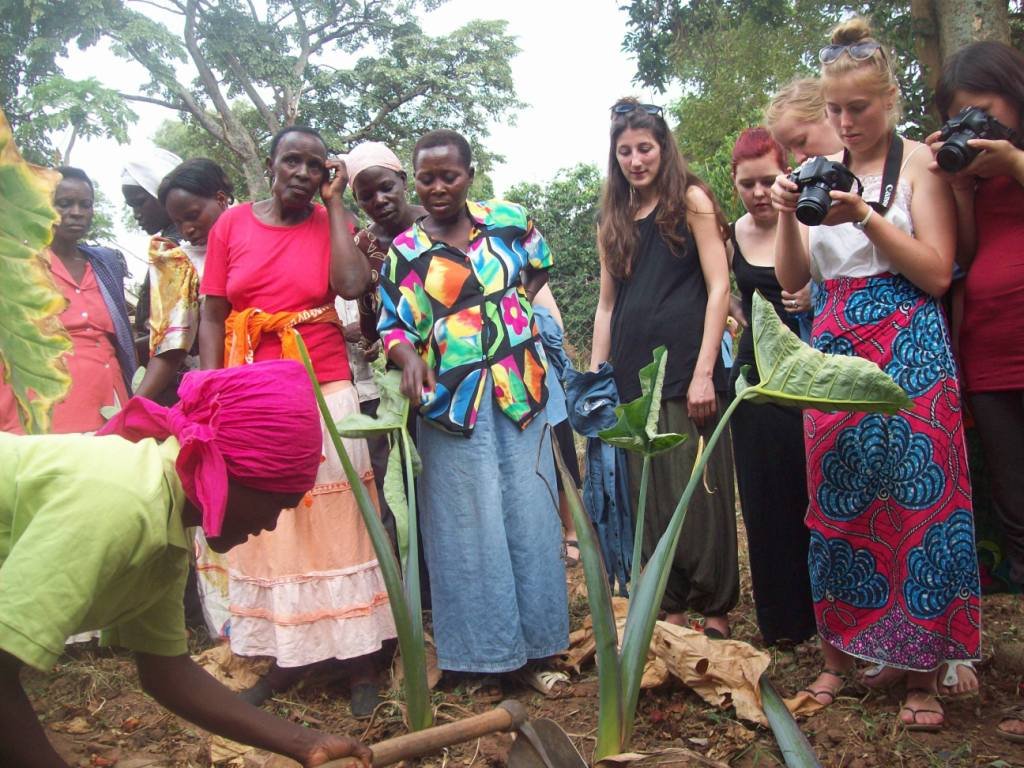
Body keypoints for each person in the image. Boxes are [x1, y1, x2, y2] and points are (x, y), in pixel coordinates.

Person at [0, 360, 371, 768]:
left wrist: (306, 744)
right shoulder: (123, 503)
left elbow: (166, 672)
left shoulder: (164, 527)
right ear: (227, 472)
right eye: (276, 503)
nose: (269, 524)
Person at [771, 18, 980, 731]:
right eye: (834, 109)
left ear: (890, 99)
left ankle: (923, 672)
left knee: (920, 506)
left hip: (910, 343)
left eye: (858, 107)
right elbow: (793, 280)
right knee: (838, 503)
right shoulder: (818, 170)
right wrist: (788, 217)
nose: (845, 122)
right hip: (832, 345)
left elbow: (937, 273)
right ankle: (846, 655)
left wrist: (863, 214)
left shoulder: (919, 163)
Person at [199, 125, 395, 715]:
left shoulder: (332, 221)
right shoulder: (231, 224)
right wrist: (211, 390)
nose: (304, 174)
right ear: (271, 163)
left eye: (316, 165)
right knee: (274, 525)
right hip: (254, 392)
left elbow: (352, 284)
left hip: (325, 383)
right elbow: (212, 315)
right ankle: (290, 655)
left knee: (340, 519)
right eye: (293, 161)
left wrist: (335, 206)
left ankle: (360, 661)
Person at [378, 129, 570, 696]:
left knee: (530, 516)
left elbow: (538, 265)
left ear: (469, 174)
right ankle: (486, 659)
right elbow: (393, 326)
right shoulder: (406, 251)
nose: (437, 187)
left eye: (449, 176)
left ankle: (540, 648)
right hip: (451, 402)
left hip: (520, 388)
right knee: (466, 528)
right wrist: (410, 357)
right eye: (426, 178)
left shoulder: (508, 220)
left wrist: (509, 313)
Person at [591, 98, 738, 639]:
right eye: (625, 151)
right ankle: (670, 606)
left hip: (686, 371)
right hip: (634, 378)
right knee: (649, 495)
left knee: (700, 489)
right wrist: (596, 379)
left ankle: (714, 609)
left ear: (663, 148)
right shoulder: (613, 218)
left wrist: (704, 372)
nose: (636, 160)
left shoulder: (691, 201)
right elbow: (606, 306)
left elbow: (719, 287)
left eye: (645, 148)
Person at [928, 39, 1024, 744]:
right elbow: (961, 255)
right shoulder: (977, 175)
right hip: (989, 355)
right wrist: (961, 186)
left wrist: (1012, 161)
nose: (976, 129)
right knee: (1019, 519)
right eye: (961, 118)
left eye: (984, 113)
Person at [727, 127, 816, 647]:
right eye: (747, 184)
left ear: (787, 176)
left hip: (808, 374)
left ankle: (825, 612)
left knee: (811, 494)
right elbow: (720, 289)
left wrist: (815, 295)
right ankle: (783, 623)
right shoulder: (733, 233)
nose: (759, 193)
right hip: (754, 379)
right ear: (735, 184)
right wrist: (741, 315)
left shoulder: (810, 220)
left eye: (768, 181)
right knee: (763, 502)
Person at [0, 167, 136, 434]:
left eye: (85, 205)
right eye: (64, 203)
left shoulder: (105, 265)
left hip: (109, 399)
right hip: (43, 401)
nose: (77, 212)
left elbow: (120, 339)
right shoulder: (17, 264)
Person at [764, 77, 846, 341]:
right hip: (831, 336)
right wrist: (786, 210)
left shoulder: (892, 166)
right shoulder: (810, 189)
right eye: (790, 149)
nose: (799, 157)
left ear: (829, 114)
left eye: (801, 141)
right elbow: (791, 280)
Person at [122, 148, 184, 405]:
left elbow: (174, 338)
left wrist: (122, 350)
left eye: (140, 202)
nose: (136, 213)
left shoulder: (173, 250)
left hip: (177, 382)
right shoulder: (177, 242)